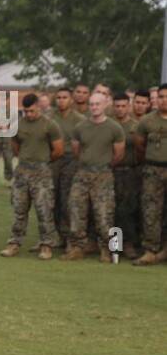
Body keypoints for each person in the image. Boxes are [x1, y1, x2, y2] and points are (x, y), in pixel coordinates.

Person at [62, 90, 124, 263]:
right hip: (82, 174)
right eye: (92, 104)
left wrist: (103, 165)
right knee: (76, 211)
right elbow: (76, 150)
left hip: (103, 175)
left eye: (98, 104)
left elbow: (118, 154)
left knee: (104, 215)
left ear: (105, 105)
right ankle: (77, 248)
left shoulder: (114, 128)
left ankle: (106, 249)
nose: (94, 107)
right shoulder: (80, 127)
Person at [0, 93, 63, 259]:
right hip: (22, 171)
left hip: (42, 172)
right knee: (19, 209)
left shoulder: (50, 125)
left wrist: (43, 161)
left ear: (39, 107)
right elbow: (15, 147)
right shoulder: (18, 125)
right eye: (26, 111)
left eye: (32, 111)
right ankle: (14, 243)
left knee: (44, 210)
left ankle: (46, 245)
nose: (29, 114)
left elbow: (58, 150)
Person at [132, 84, 167, 266]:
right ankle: (150, 250)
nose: (164, 100)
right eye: (161, 96)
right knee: (151, 211)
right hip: (153, 170)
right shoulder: (147, 121)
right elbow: (140, 146)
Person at [49, 87, 82, 248]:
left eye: (64, 97)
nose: (61, 100)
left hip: (71, 160)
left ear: (71, 100)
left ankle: (69, 236)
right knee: (51, 199)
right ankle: (54, 236)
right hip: (53, 160)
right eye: (59, 97)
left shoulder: (79, 119)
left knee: (67, 199)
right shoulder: (49, 117)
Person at [111, 92, 142, 258]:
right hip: (110, 172)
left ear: (128, 107)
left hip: (130, 172)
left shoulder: (136, 126)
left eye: (123, 106)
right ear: (113, 107)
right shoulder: (108, 125)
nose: (120, 109)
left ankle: (129, 244)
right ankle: (114, 245)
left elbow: (141, 149)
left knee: (129, 209)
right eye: (117, 106)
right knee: (112, 209)